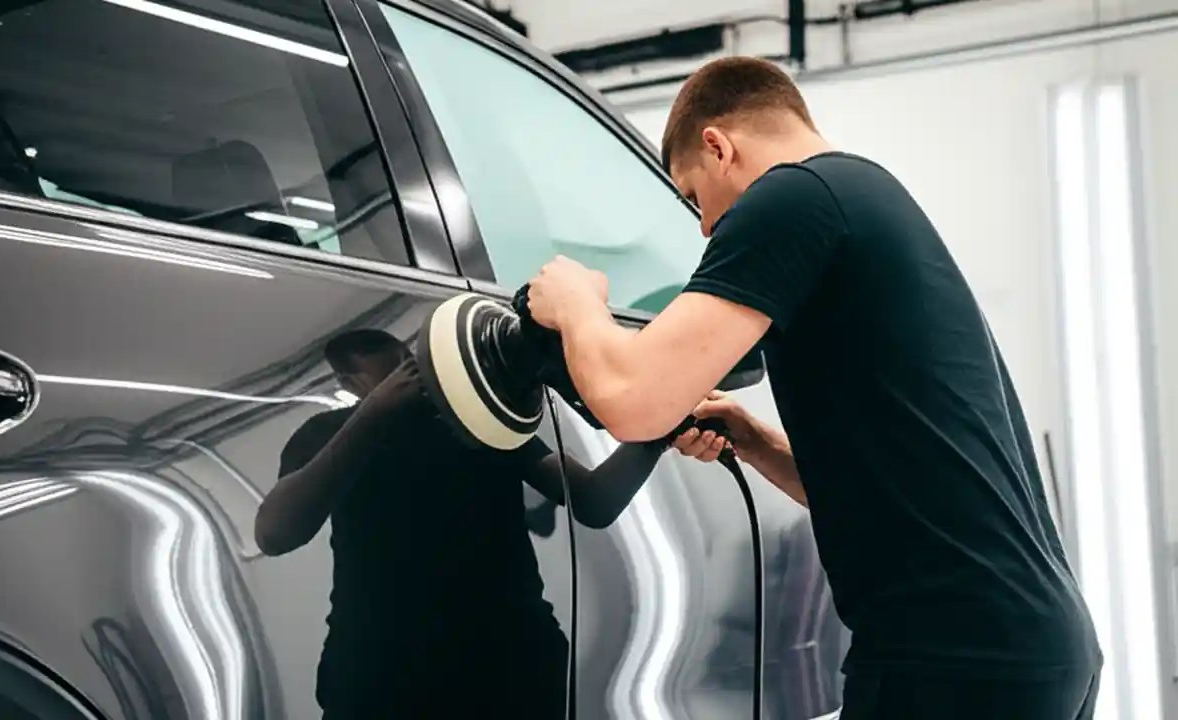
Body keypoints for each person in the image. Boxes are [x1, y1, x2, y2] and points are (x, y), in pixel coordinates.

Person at [525, 57, 1101, 718]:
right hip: (1033, 649)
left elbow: (631, 399)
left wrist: (577, 305)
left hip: (952, 657)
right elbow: (897, 488)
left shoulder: (791, 199)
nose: (706, 227)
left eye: (692, 198)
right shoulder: (866, 198)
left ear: (718, 146)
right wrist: (758, 442)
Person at [254, 328, 666, 718]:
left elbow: (593, 499)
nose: (412, 370)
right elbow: (275, 532)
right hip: (384, 673)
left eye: (410, 358)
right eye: (395, 365)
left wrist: (660, 428)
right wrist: (374, 414)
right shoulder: (326, 431)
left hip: (511, 665)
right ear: (349, 381)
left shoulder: (479, 417)